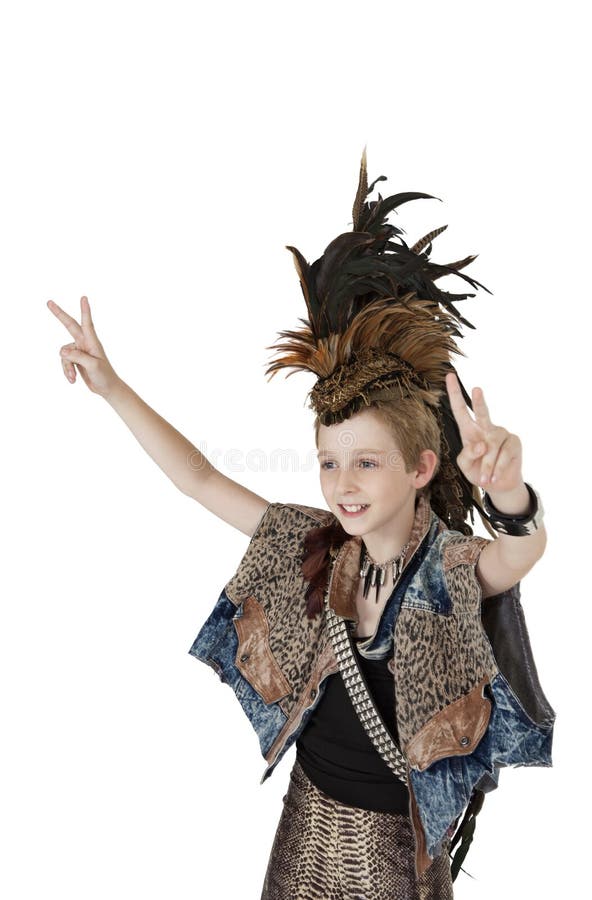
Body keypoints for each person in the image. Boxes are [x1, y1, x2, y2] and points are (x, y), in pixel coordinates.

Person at [48, 149, 556, 899]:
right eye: (329, 462)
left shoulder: (450, 568)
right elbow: (199, 479)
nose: (343, 485)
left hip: (397, 858)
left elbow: (520, 555)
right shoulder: (313, 545)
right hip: (302, 832)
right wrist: (113, 387)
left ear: (421, 467)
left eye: (367, 463)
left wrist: (511, 495)